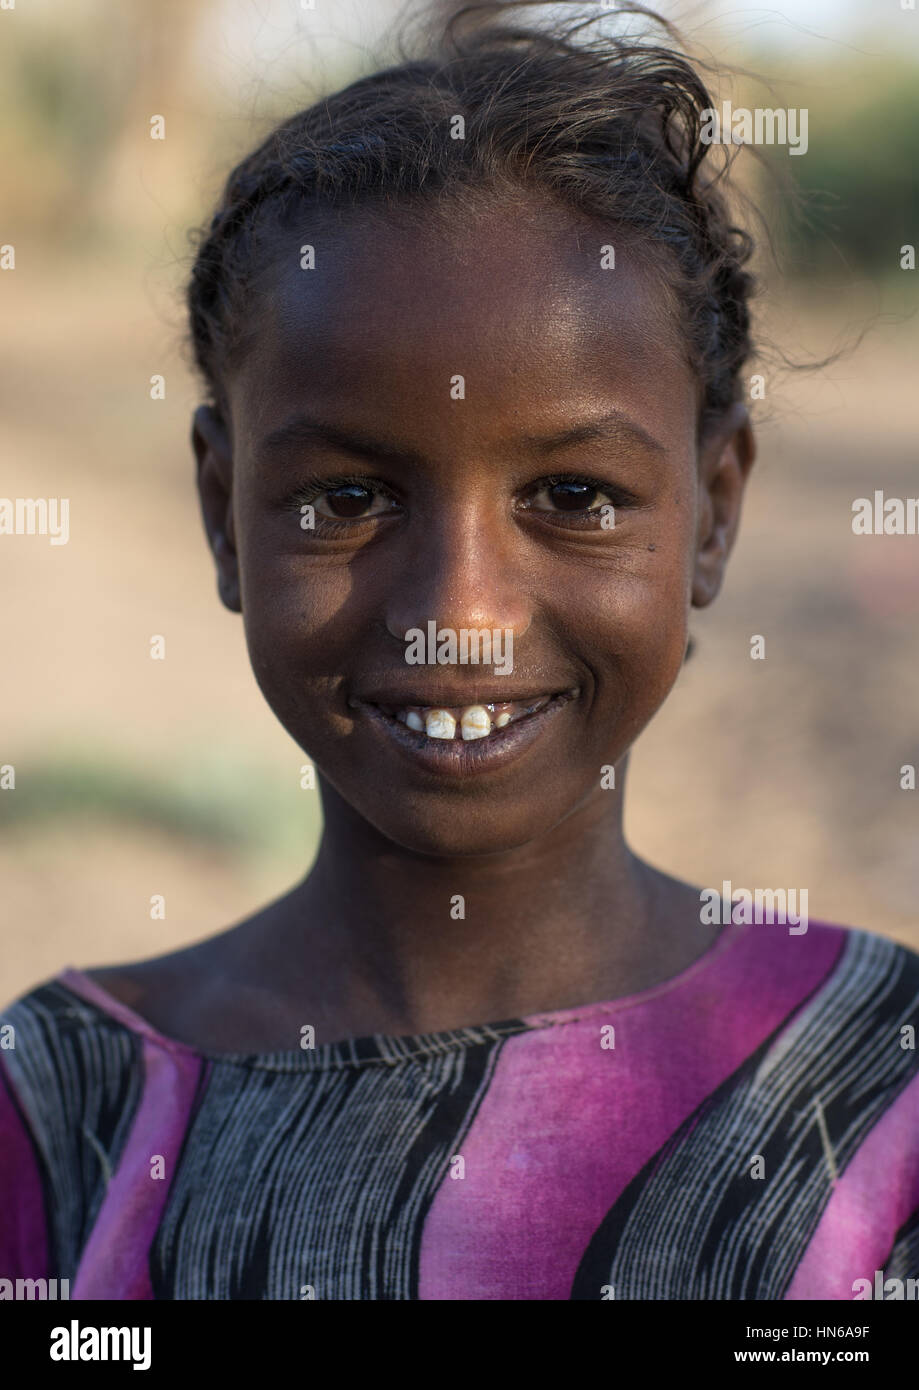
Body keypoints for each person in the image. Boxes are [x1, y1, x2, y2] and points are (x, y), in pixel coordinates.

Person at [2, 1, 917, 1301]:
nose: (459, 610)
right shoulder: (60, 1108)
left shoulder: (881, 1086)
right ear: (222, 510)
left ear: (716, 507)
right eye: (350, 499)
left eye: (576, 497)